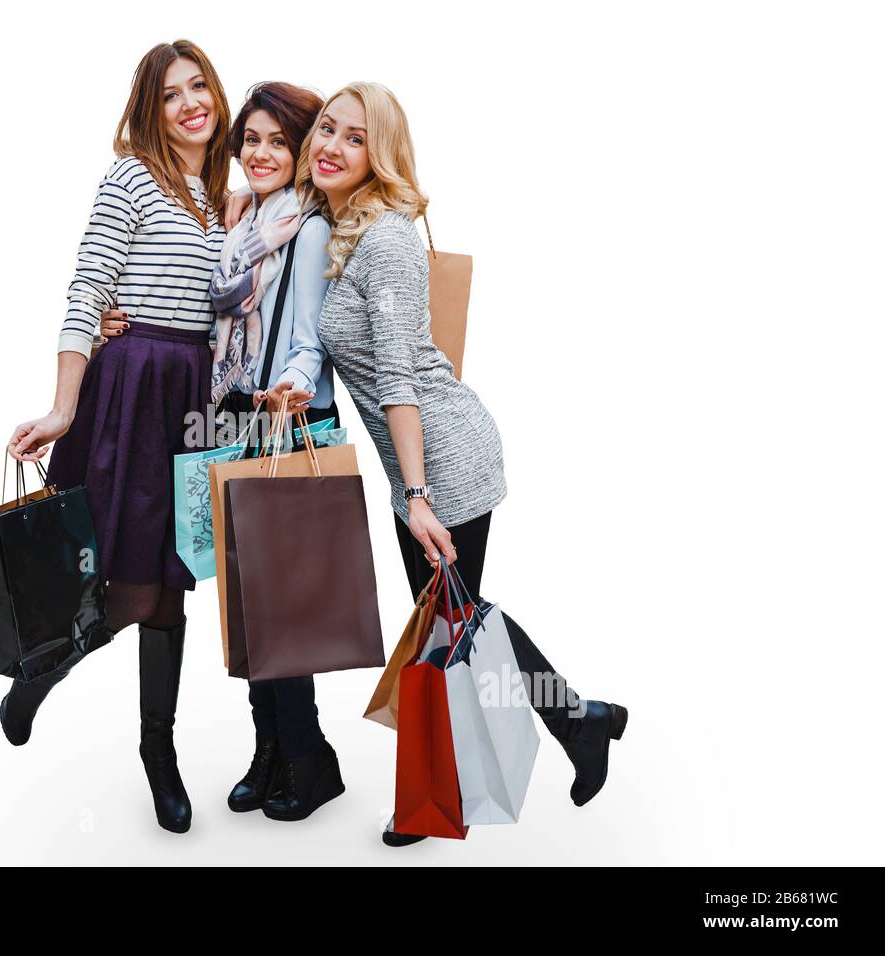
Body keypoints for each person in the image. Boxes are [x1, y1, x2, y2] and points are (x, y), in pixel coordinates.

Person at [262, 81, 629, 847]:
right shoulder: (337, 225)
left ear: (381, 154)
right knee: (454, 619)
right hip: (416, 464)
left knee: (453, 623)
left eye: (355, 138)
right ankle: (574, 721)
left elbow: (397, 377)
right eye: (327, 129)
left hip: (445, 458)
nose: (331, 145)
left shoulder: (389, 239)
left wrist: (420, 495)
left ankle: (464, 784)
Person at [5, 40, 231, 834]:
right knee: (125, 585)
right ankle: (41, 669)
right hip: (131, 393)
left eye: (199, 86)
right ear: (150, 108)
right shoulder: (130, 177)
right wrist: (64, 405)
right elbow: (87, 288)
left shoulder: (222, 197)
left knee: (170, 583)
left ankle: (158, 752)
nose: (189, 103)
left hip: (190, 403)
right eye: (171, 94)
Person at [105, 82, 346, 822]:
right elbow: (197, 306)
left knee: (285, 609)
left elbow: (310, 339)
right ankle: (267, 748)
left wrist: (288, 392)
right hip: (235, 419)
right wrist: (124, 317)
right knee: (251, 604)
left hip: (287, 418)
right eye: (252, 140)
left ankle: (306, 762)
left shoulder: (304, 229)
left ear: (302, 150)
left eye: (279, 141)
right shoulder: (241, 222)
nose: (262, 153)